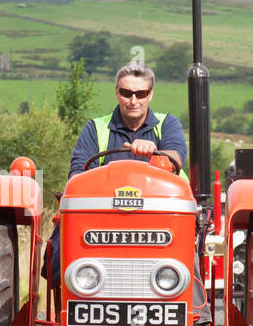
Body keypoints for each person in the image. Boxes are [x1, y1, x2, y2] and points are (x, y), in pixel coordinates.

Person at [44, 63, 187, 287]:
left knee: (187, 247)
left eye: (140, 94)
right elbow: (77, 176)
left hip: (159, 216)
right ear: (117, 92)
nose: (133, 100)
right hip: (103, 217)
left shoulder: (167, 123)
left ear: (150, 94)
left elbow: (175, 157)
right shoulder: (95, 128)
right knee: (63, 238)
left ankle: (196, 310)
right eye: (126, 93)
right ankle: (67, 294)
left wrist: (153, 152)